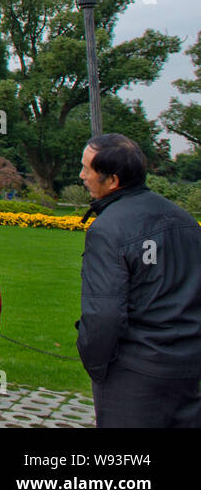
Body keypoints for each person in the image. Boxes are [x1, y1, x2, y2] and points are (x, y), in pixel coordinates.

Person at [77, 132, 201, 428]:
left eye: (87, 169)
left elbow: (104, 314)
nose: (81, 176)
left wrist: (96, 364)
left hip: (135, 373)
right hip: (187, 364)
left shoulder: (107, 230)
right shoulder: (185, 221)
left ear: (113, 181)